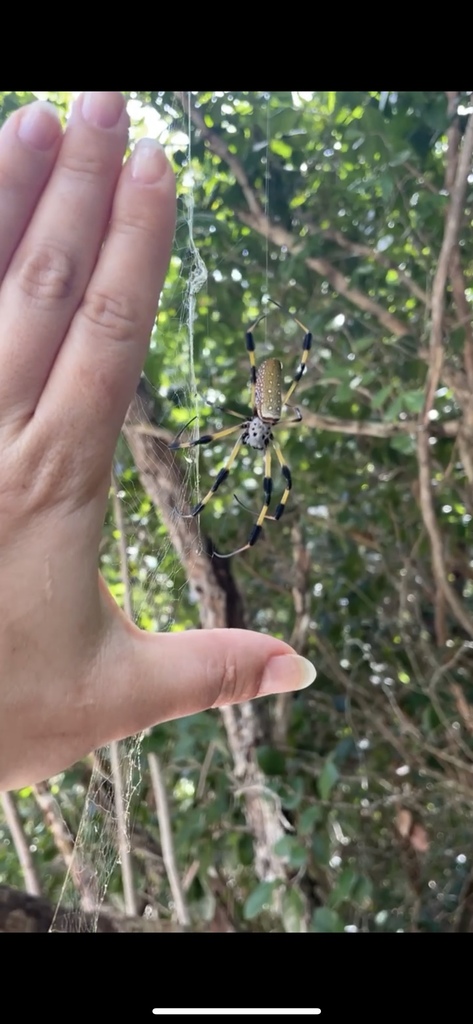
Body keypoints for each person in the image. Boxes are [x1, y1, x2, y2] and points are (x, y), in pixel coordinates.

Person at [0, 92, 316, 793]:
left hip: (269, 393)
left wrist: (271, 395)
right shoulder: (252, 420)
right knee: (242, 460)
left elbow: (264, 430)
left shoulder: (262, 425)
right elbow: (240, 414)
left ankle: (237, 516)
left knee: (272, 480)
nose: (255, 438)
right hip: (265, 390)